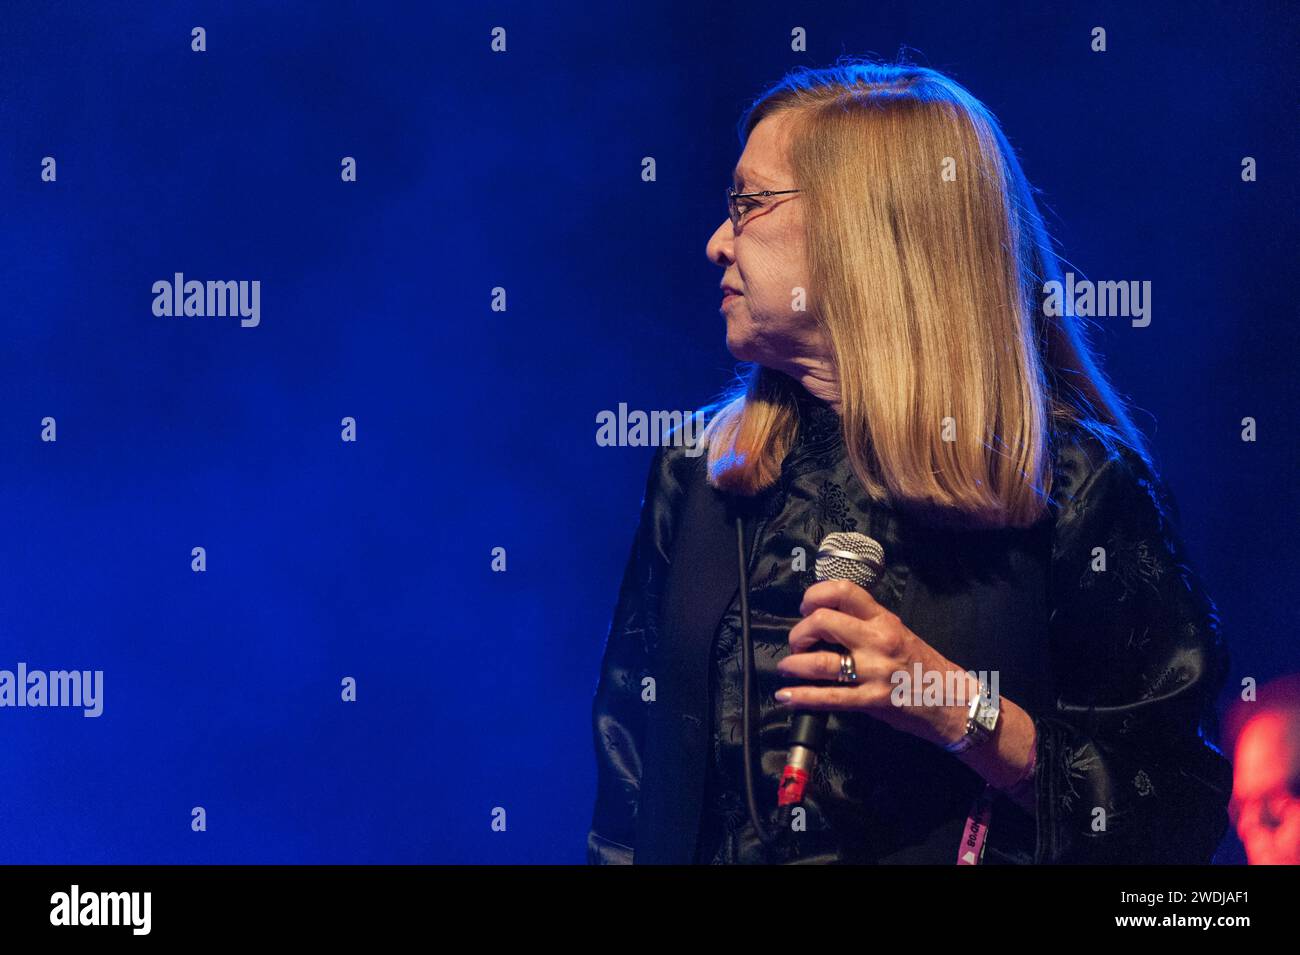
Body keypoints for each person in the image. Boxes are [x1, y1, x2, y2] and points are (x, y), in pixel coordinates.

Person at [587, 58, 1233, 864]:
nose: (718, 241)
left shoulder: (1068, 487)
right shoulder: (700, 472)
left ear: (868, 229)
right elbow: (627, 780)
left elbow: (1174, 813)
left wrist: (956, 706)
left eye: (748, 203)